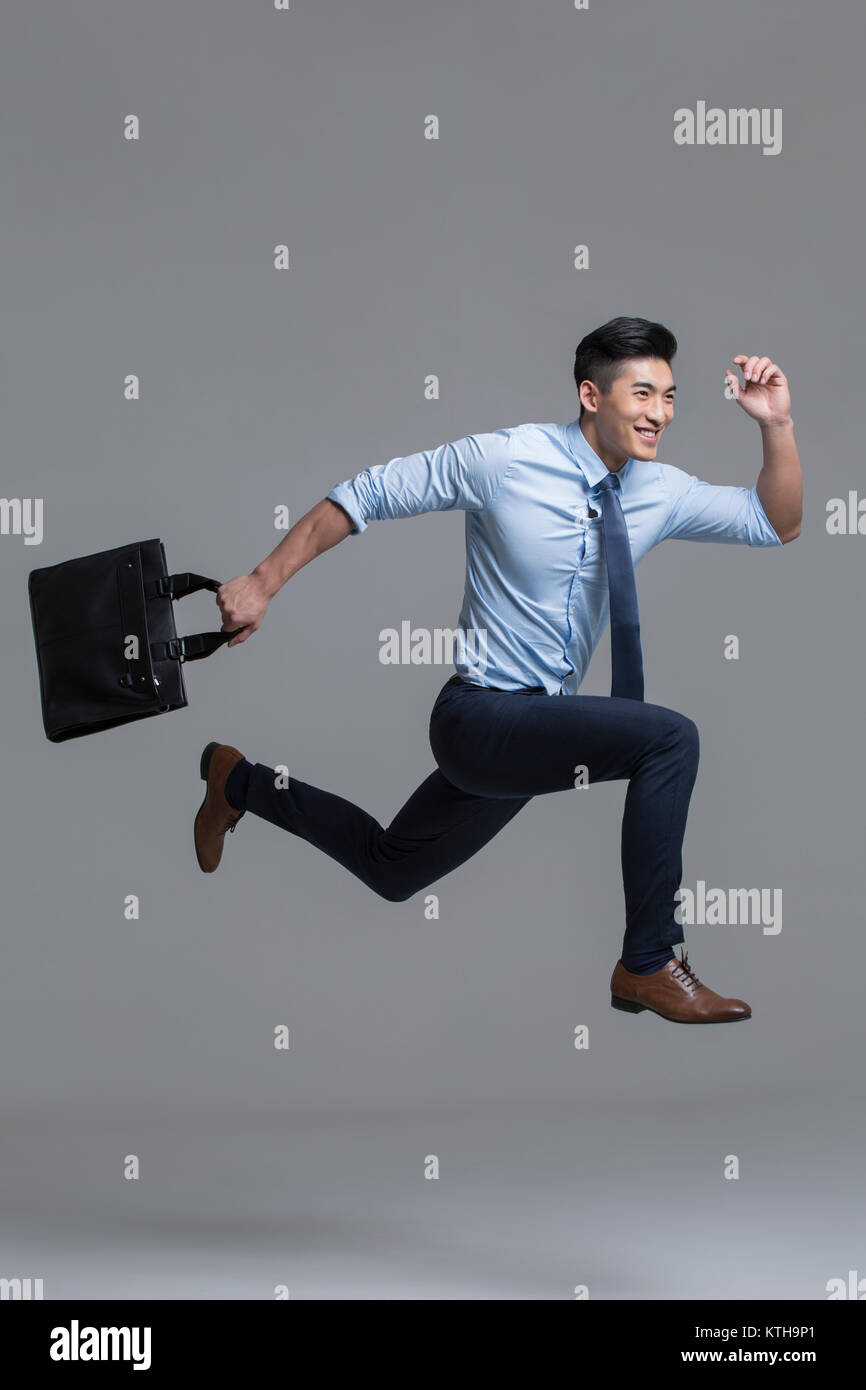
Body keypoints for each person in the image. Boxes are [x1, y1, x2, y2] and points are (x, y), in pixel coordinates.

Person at [194, 316, 802, 1025]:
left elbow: (776, 521)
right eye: (643, 394)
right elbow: (364, 495)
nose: (659, 413)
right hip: (478, 718)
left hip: (538, 730)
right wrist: (264, 582)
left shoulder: (656, 491)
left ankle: (236, 780)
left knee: (393, 869)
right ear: (590, 394)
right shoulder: (506, 460)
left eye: (669, 397)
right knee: (670, 738)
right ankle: (648, 961)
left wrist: (776, 424)